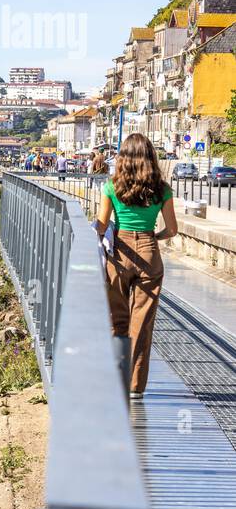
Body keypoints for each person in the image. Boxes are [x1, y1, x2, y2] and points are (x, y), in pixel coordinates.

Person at [94, 133, 178, 399]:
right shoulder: (162, 189)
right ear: (151, 157)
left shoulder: (112, 187)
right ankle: (135, 387)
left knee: (117, 319)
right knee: (142, 323)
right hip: (149, 253)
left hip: (119, 253)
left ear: (123, 158)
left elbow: (101, 225)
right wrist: (153, 238)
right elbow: (172, 230)